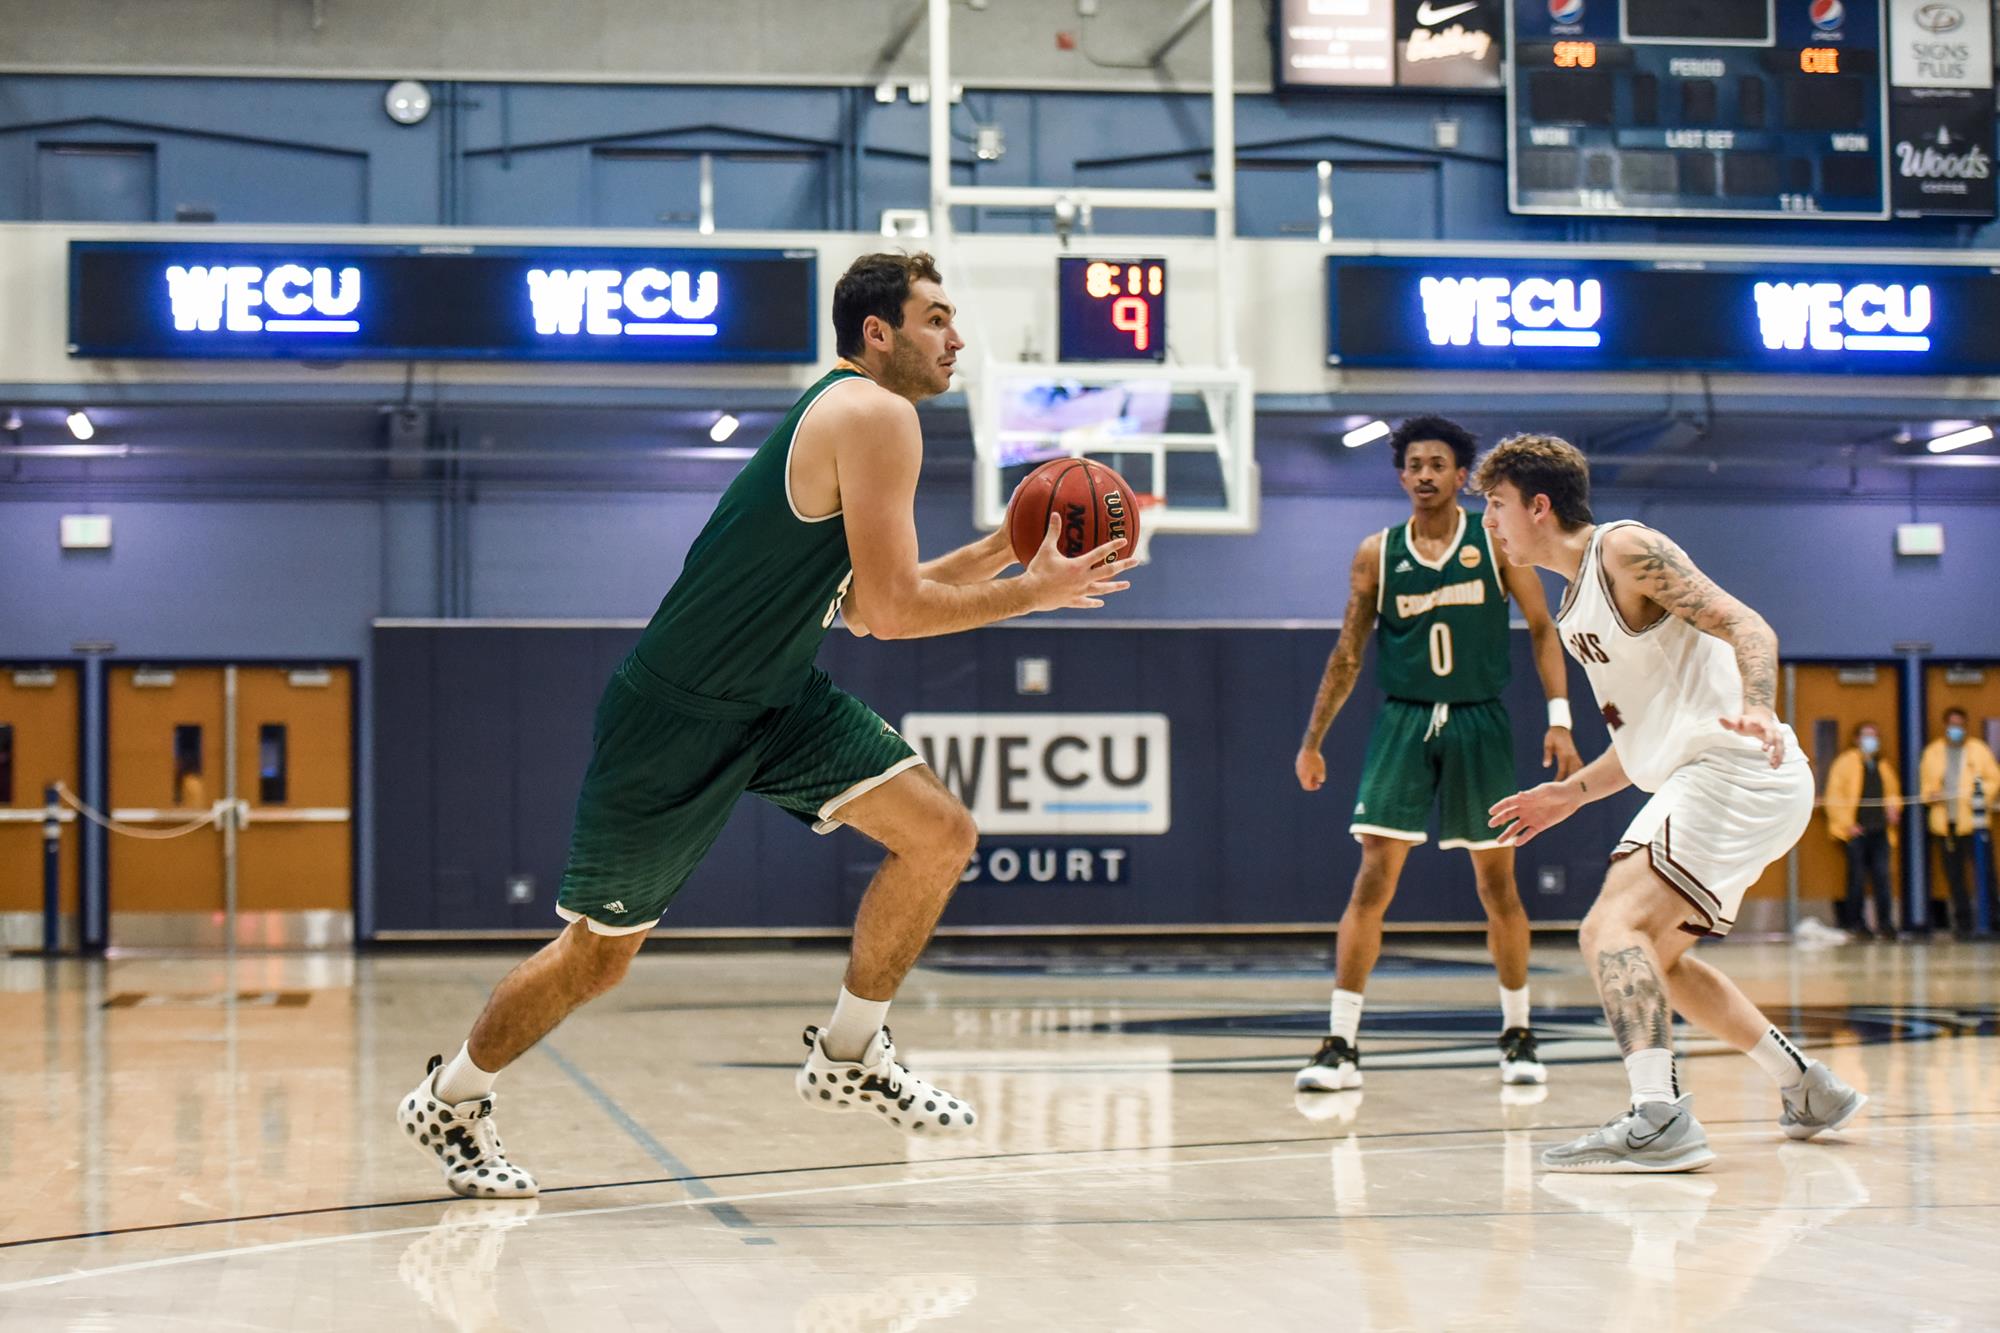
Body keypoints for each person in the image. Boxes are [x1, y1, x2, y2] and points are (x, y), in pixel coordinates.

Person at [398, 252, 1138, 1198]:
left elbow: (869, 610)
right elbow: (900, 612)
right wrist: (1030, 593)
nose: (957, 340)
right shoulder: (875, 413)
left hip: (778, 694)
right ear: (879, 332)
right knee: (597, 958)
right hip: (678, 714)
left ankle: (850, 1047)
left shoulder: (852, 409)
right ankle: (451, 1098)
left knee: (941, 835)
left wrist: (1001, 551)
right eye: (937, 319)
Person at [1474, 433, 1866, 1173]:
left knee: (1610, 926)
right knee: (1658, 957)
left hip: (1735, 768)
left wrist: (1756, 704)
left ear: (1538, 505)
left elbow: (1748, 625)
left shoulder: (1623, 548)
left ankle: (1660, 1115)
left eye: (1495, 506)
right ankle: (1806, 1087)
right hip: (1719, 776)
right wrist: (1572, 793)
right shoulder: (1573, 607)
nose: (1489, 523)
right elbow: (1641, 737)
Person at [1293, 416, 1582, 1096]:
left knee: (1497, 884)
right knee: (1373, 878)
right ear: (1402, 476)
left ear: (1461, 477)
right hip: (1405, 719)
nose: (1425, 473)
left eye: (1438, 464)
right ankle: (1341, 1043)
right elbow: (1347, 653)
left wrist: (1561, 720)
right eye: (1414, 464)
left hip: (1480, 720)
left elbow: (1544, 628)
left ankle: (1517, 1031)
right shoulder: (1376, 553)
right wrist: (1313, 740)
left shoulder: (1496, 539)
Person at [1918, 707, 2000, 937]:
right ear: (1945, 725)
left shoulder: (1979, 750)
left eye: (1959, 724)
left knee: (1986, 875)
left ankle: (1992, 920)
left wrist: (1979, 796)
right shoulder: (1933, 752)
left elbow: (1994, 779)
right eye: (1951, 724)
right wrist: (1932, 794)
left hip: (1974, 824)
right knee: (1955, 877)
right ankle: (1963, 924)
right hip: (1946, 824)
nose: (1956, 729)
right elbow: (1925, 785)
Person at [1824, 721, 1901, 938]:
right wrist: (1847, 825)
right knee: (1856, 879)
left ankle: (1885, 923)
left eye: (1874, 735)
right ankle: (1856, 923)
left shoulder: (1882, 766)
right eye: (1866, 735)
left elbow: (1893, 793)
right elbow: (1834, 796)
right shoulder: (1845, 763)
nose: (1870, 740)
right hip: (1856, 832)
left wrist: (1894, 809)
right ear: (1856, 739)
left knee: (1882, 878)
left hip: (1880, 831)